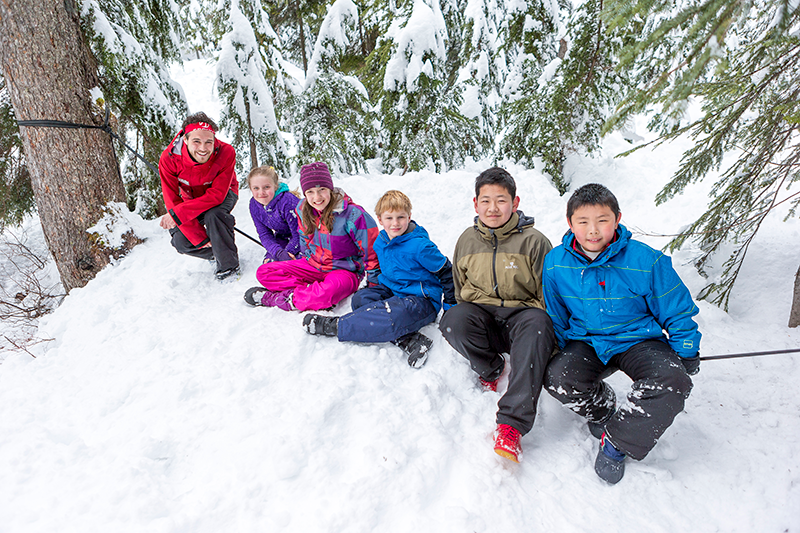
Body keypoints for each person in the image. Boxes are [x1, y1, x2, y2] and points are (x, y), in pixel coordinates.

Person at [542, 183, 701, 484]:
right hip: (588, 341)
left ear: (617, 219)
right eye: (583, 222)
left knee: (674, 381)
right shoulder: (555, 263)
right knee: (558, 378)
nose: (593, 230)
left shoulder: (647, 260)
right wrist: (561, 351)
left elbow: (676, 308)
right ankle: (603, 409)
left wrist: (687, 350)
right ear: (570, 223)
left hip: (639, 339)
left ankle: (618, 442)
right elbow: (557, 314)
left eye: (602, 220)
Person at [439, 167, 555, 464]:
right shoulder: (466, 240)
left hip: (523, 317)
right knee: (452, 320)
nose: (493, 208)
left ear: (515, 203)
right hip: (483, 315)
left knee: (539, 323)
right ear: (475, 204)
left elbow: (549, 294)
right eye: (486, 200)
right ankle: (491, 368)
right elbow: (459, 287)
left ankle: (511, 426)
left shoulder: (535, 242)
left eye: (501, 200)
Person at [302, 190, 457, 368]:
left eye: (401, 217)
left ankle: (335, 326)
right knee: (361, 300)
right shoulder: (381, 242)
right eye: (389, 218)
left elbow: (447, 272)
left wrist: (450, 309)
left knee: (394, 315)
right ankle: (409, 340)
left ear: (409, 216)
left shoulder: (421, 246)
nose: (395, 223)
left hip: (422, 300)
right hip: (394, 292)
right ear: (380, 219)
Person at [243, 161, 379, 311]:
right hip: (313, 265)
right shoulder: (303, 209)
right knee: (265, 272)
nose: (317, 197)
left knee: (327, 292)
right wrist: (302, 261)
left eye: (322, 189)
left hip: (343, 271)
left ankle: (283, 299)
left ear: (330, 188)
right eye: (310, 192)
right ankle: (310, 293)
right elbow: (304, 240)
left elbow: (373, 254)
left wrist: (374, 287)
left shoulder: (354, 215)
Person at [158, 112, 240, 281]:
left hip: (224, 193)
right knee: (181, 241)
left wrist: (178, 214)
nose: (203, 148)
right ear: (185, 139)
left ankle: (228, 265)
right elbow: (172, 199)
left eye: (208, 142)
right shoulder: (169, 158)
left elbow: (217, 196)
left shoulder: (226, 152)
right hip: (191, 199)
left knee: (214, 214)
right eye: (196, 141)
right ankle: (216, 251)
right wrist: (199, 238)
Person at [247, 165, 301, 263]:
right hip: (282, 237)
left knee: (293, 263)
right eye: (256, 188)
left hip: (303, 238)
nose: (261, 192)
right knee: (269, 263)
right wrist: (277, 253)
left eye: (266, 187)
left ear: (275, 186)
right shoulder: (254, 205)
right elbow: (264, 234)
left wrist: (288, 253)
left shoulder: (287, 202)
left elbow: (300, 233)